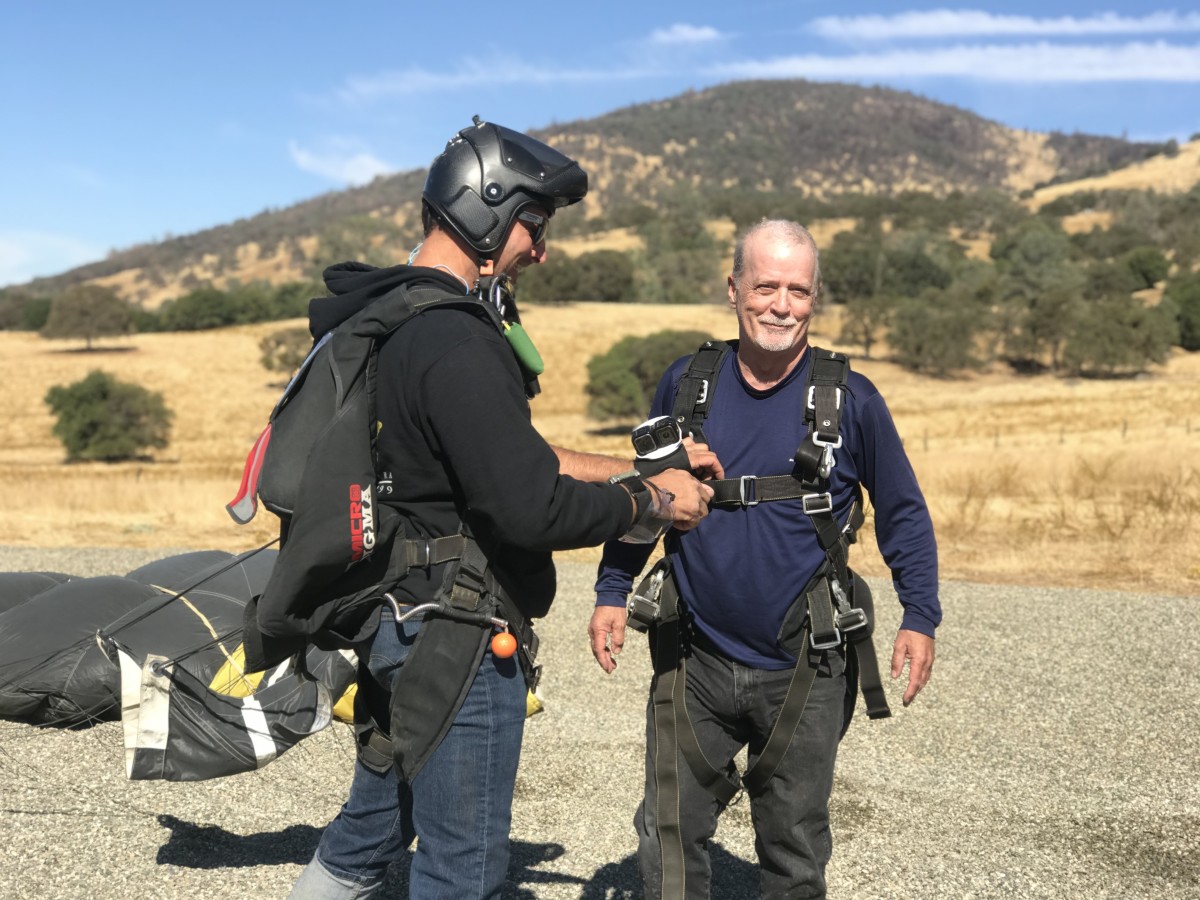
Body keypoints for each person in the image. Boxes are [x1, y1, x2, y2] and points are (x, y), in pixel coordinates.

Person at [279, 118, 717, 899]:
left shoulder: (398, 318)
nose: (541, 249)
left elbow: (516, 458)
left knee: (368, 833)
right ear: (486, 209)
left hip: (398, 623)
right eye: (534, 225)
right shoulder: (458, 339)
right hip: (460, 640)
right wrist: (653, 503)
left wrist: (642, 466)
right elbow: (532, 507)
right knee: (463, 869)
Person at [589, 219, 940, 899]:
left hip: (805, 668)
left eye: (799, 291)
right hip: (693, 659)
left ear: (815, 300)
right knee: (666, 834)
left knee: (793, 850)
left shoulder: (852, 399)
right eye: (767, 285)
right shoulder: (686, 384)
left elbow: (902, 511)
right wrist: (612, 588)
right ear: (733, 289)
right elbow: (647, 496)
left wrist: (920, 615)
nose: (782, 305)